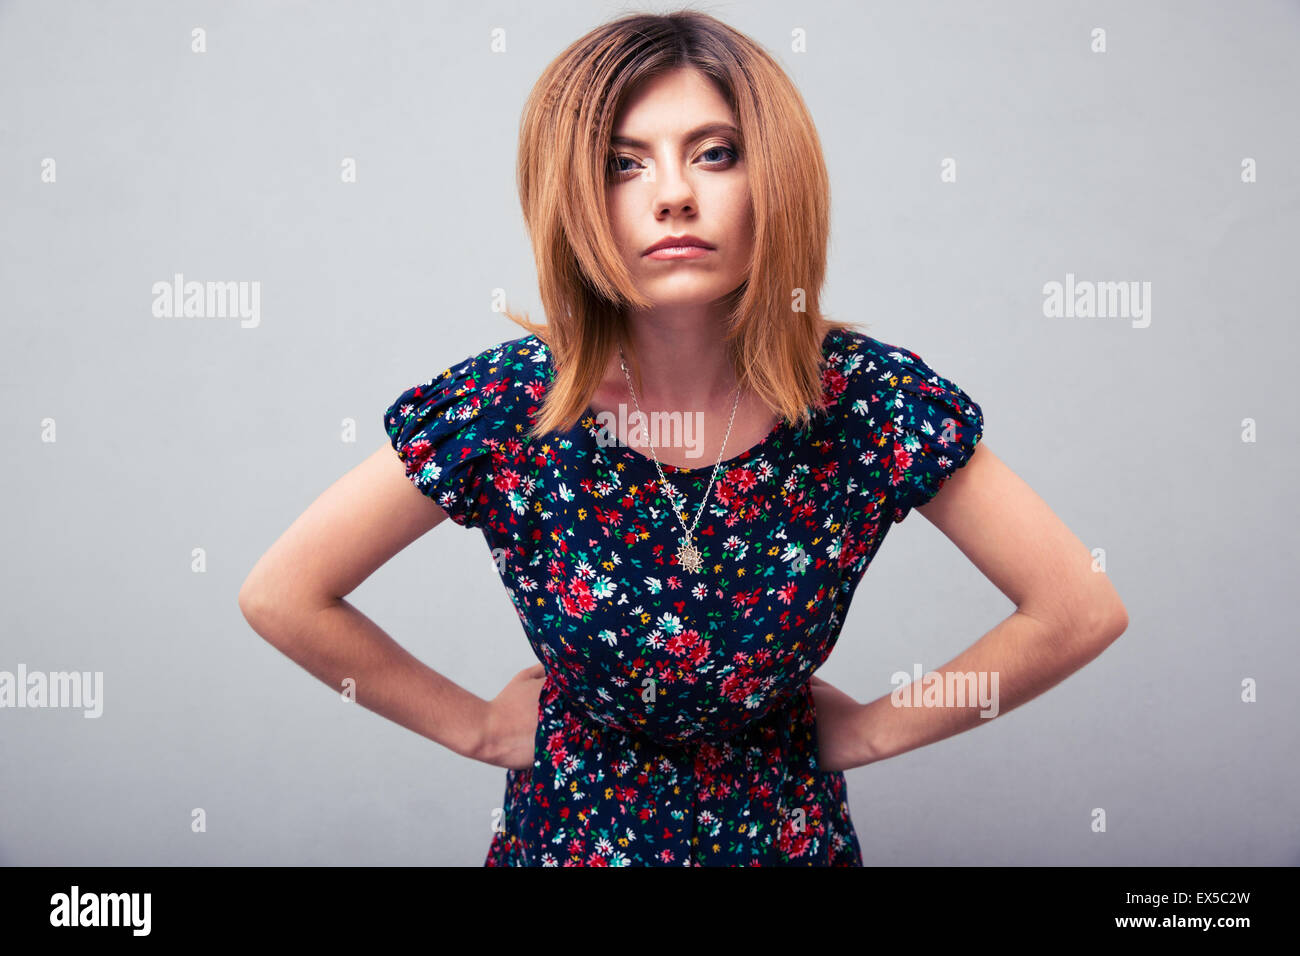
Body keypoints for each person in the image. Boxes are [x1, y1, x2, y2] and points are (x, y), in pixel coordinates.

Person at [239, 10, 1127, 867]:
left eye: (715, 153)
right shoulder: (514, 404)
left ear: (773, 177)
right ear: (576, 196)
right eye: (624, 165)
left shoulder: (866, 401)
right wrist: (472, 726)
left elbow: (1075, 609)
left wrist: (870, 731)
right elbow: (285, 594)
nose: (672, 195)